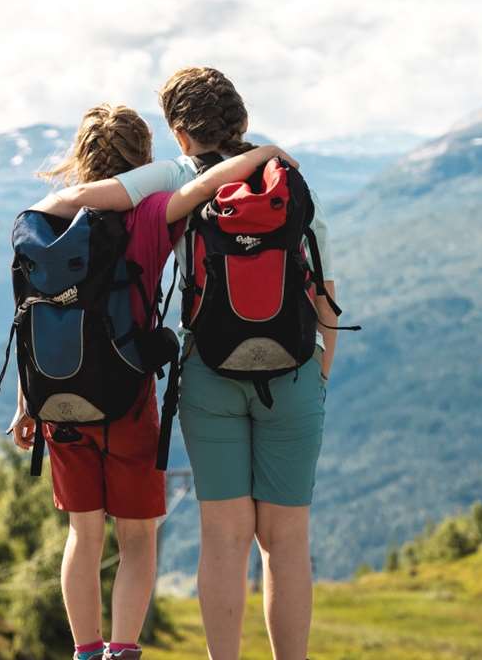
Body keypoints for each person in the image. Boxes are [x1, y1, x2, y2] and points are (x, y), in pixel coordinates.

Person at [38, 67, 336, 660]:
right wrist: (318, 372)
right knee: (285, 540)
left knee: (223, 537)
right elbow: (324, 292)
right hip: (295, 370)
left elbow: (80, 199)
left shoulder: (173, 175)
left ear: (178, 132)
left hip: (209, 373)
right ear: (243, 121)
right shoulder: (287, 180)